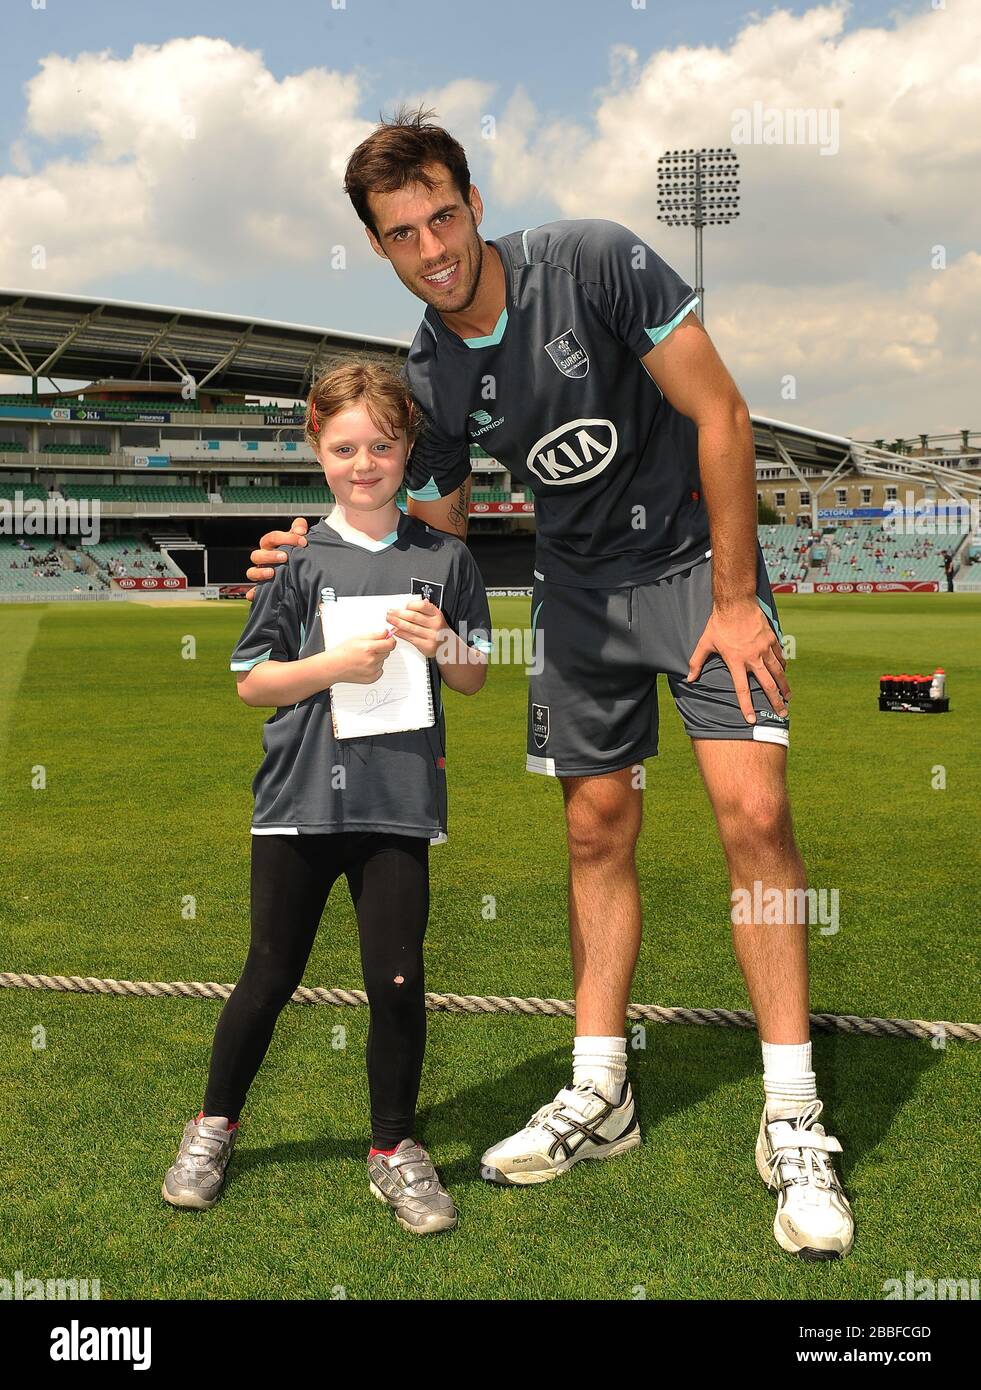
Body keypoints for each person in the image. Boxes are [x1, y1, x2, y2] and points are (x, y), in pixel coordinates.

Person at [246, 108, 854, 1259]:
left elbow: (721, 411)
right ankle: (601, 1090)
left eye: (442, 216)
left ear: (474, 202)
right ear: (378, 248)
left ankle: (793, 1113)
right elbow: (424, 534)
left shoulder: (593, 257)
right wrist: (312, 549)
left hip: (691, 570)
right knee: (594, 831)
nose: (430, 247)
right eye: (401, 234)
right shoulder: (427, 373)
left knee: (757, 817)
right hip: (575, 600)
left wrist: (733, 598)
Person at [162, 362, 492, 1235]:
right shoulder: (296, 556)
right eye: (344, 446)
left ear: (407, 450)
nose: (364, 462)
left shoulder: (445, 557)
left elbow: (473, 678)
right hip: (299, 802)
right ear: (317, 449)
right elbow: (249, 681)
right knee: (269, 972)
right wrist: (327, 669)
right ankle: (212, 1127)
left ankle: (392, 1150)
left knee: (397, 977)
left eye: (381, 446)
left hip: (398, 804)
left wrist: (445, 638)